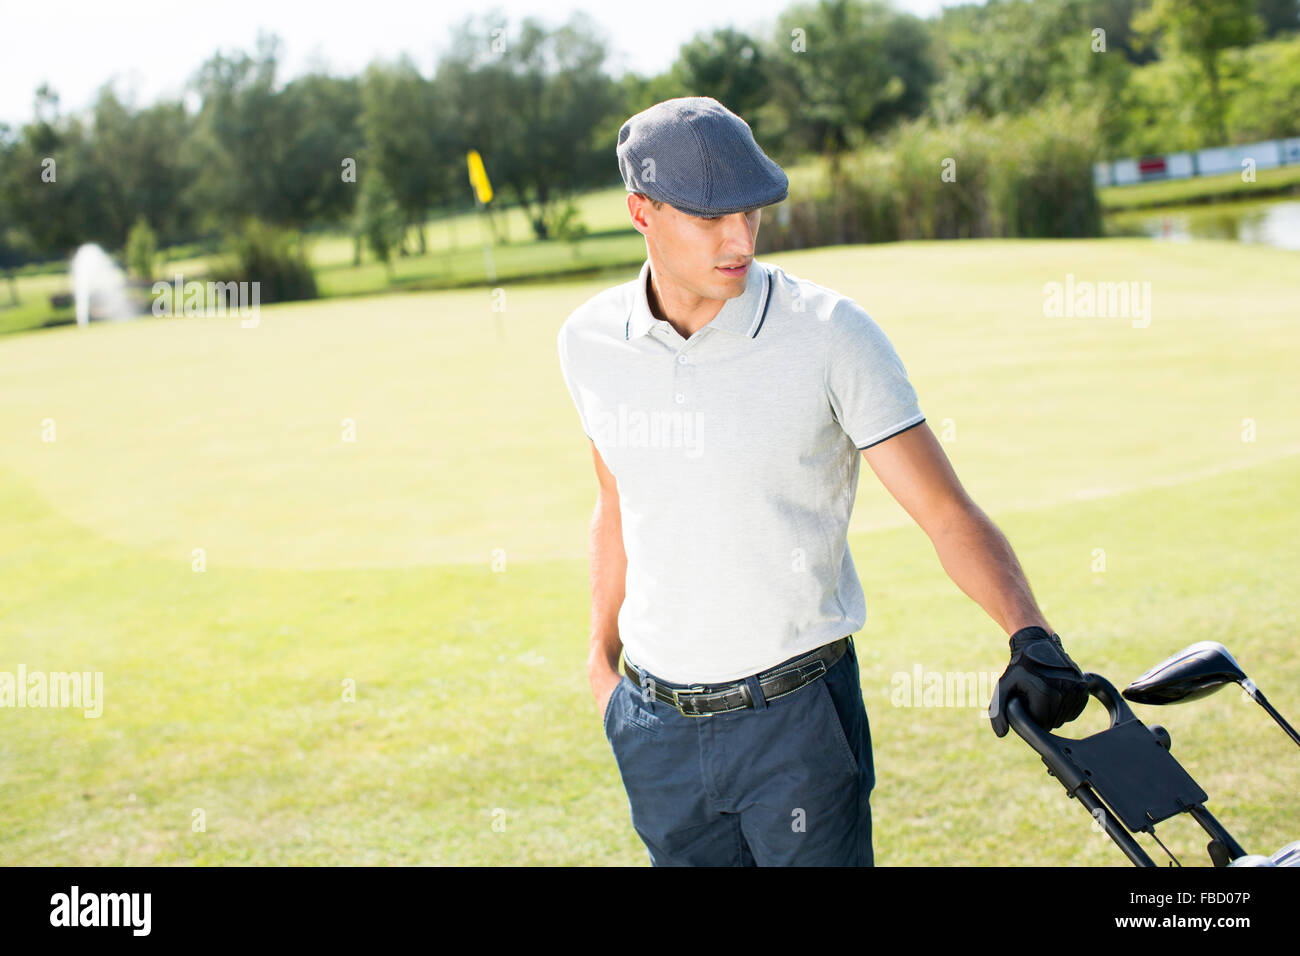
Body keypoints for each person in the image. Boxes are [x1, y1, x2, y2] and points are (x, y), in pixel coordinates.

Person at [555, 96, 1088, 866]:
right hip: (656, 730)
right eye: (710, 219)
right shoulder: (588, 342)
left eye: (753, 212)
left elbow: (944, 513)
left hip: (797, 725)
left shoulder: (830, 332)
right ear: (641, 211)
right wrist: (602, 665)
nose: (740, 239)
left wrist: (1029, 633)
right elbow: (616, 504)